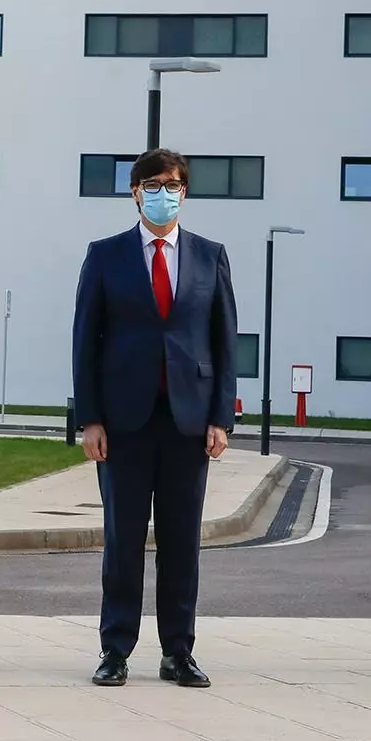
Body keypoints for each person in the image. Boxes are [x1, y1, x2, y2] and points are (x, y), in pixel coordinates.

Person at [71, 148, 235, 690]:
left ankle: (178, 652)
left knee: (181, 541)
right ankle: (115, 649)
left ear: (185, 191)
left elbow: (224, 342)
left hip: (188, 421)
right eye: (154, 183)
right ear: (136, 191)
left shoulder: (211, 256)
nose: (166, 191)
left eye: (175, 183)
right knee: (123, 540)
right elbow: (85, 343)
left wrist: (221, 418)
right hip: (123, 422)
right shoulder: (105, 255)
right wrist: (90, 419)